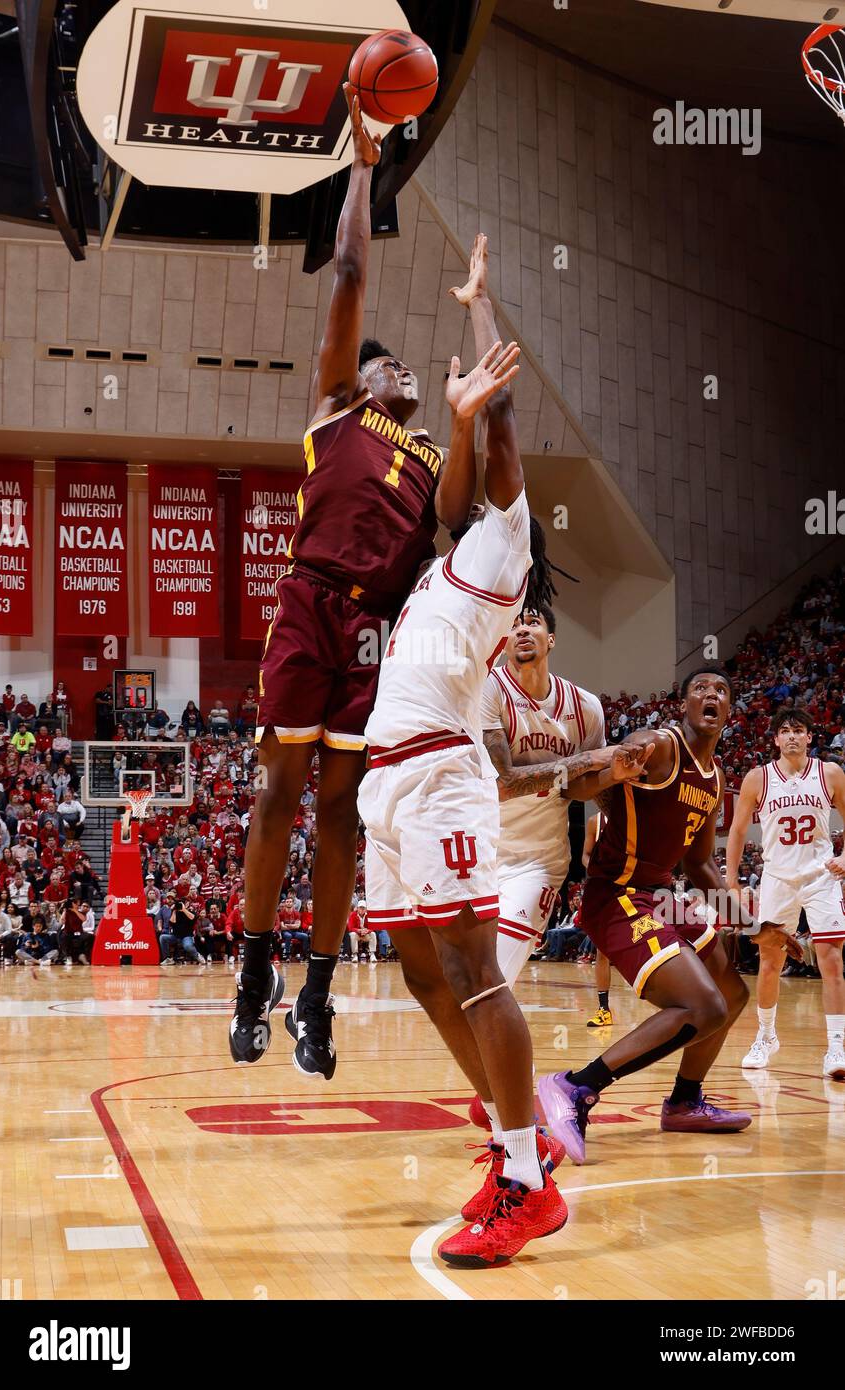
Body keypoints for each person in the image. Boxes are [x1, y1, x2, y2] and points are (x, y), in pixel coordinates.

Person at [357, 233, 650, 1269]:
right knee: (424, 975)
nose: (471, 484)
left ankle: (530, 1181)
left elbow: (498, 434)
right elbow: (445, 492)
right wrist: (449, 409)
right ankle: (505, 1143)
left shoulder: (502, 546)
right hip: (383, 783)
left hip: (440, 769)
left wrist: (483, 319)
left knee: (479, 976)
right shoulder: (440, 570)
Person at [231, 87, 482, 1078]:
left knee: (339, 813)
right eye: (392, 367)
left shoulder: (424, 460)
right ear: (364, 382)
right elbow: (345, 272)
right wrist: (364, 163)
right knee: (276, 798)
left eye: (408, 370)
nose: (402, 368)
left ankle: (319, 996)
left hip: (376, 631)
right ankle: (254, 977)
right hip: (309, 603)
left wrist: (462, 422)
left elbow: (457, 519)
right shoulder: (338, 410)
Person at [537, 665, 802, 1164]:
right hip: (615, 892)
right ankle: (574, 1087)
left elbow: (699, 863)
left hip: (660, 893)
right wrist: (611, 769)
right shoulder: (657, 746)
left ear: (729, 711)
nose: (712, 694)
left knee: (731, 992)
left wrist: (750, 926)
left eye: (722, 690)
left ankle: (683, 1101)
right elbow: (578, 787)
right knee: (704, 1007)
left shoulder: (714, 776)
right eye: (700, 688)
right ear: (684, 705)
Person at [480, 600, 610, 993]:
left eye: (532, 623)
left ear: (550, 639)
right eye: (514, 624)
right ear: (504, 641)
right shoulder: (489, 689)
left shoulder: (585, 707)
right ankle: (516, 1058)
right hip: (481, 852)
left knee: (494, 983)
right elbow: (504, 782)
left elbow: (590, 787)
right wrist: (586, 759)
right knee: (469, 982)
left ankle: (508, 1056)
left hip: (538, 861)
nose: (522, 629)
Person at [726, 709, 845, 1079]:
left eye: (799, 730)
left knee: (831, 962)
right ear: (775, 739)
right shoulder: (758, 778)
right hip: (777, 878)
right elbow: (737, 831)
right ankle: (765, 1036)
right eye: (785, 731)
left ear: (810, 737)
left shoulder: (830, 773)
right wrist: (731, 881)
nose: (792, 736)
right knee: (770, 963)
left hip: (821, 877)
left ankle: (837, 1047)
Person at [583, 811, 614, 1027]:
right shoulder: (595, 821)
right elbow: (585, 854)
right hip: (605, 889)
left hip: (635, 887)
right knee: (601, 953)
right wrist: (595, 868)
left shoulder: (639, 812)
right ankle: (604, 1009)